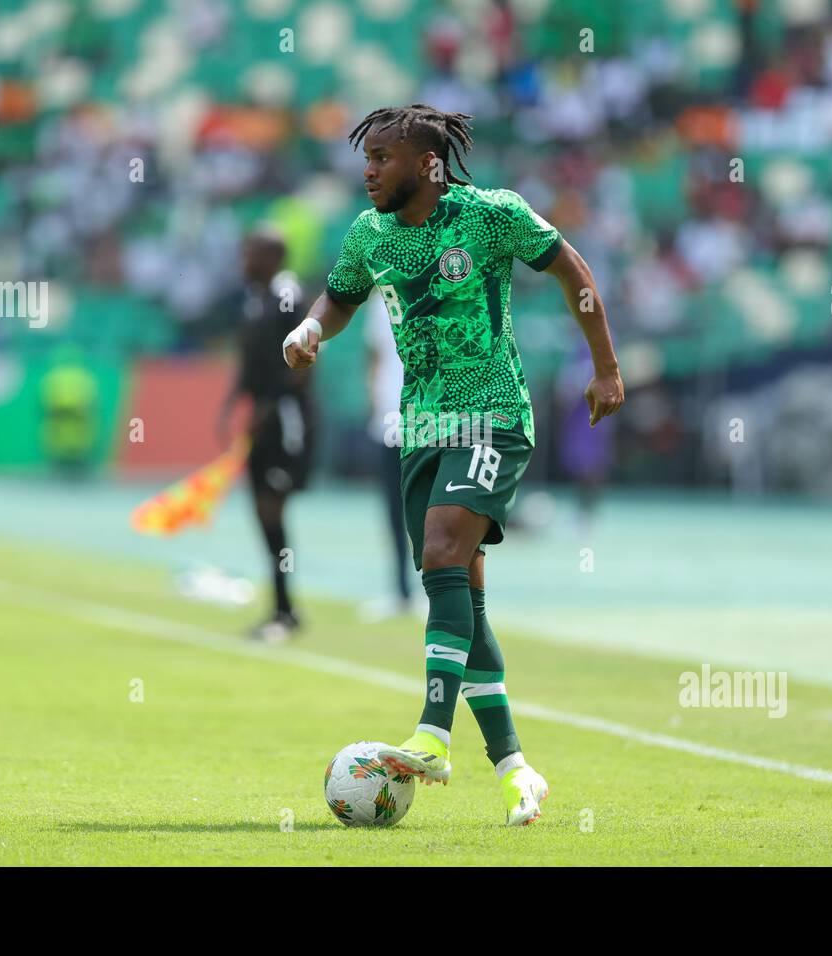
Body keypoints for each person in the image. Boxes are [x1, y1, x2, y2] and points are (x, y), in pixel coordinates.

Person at [282, 104, 624, 825]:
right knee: (459, 592)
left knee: (441, 550)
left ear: (425, 163)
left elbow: (572, 270)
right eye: (365, 157)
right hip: (421, 427)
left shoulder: (492, 215)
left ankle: (433, 735)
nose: (368, 169)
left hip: (491, 416)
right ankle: (517, 771)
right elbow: (340, 298)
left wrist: (605, 367)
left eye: (381, 156)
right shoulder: (370, 233)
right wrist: (312, 328)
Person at [221, 226, 314, 644]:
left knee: (273, 508)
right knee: (262, 511)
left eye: (250, 253)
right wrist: (232, 405)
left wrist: (270, 405)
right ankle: (282, 606)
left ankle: (284, 610)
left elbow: (305, 361)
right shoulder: (256, 300)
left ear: (272, 256)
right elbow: (249, 362)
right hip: (260, 420)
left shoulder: (287, 296)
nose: (243, 261)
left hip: (286, 420)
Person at [361, 289, 422, 621]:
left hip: (427, 415)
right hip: (389, 415)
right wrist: (373, 400)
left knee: (428, 509)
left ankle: (436, 591)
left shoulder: (432, 291)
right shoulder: (378, 303)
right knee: (393, 508)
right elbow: (374, 356)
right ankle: (401, 591)